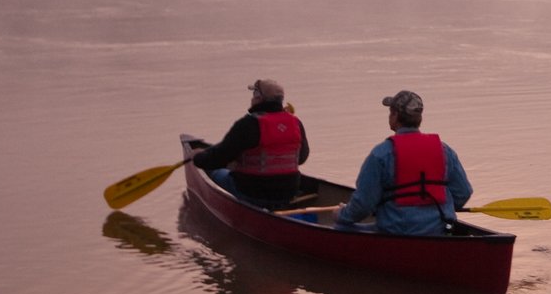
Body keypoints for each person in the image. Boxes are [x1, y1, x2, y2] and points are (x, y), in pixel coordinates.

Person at [335, 90, 472, 236]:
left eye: (390, 112)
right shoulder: (445, 150)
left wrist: (341, 214)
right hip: (439, 231)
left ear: (394, 116)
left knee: (340, 227)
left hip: (397, 232)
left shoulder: (382, 154)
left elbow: (363, 205)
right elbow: (463, 193)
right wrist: (442, 209)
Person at [189, 78, 311, 208]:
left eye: (254, 94)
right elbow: (301, 159)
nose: (252, 99)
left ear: (258, 98)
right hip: (288, 193)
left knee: (215, 171)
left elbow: (217, 158)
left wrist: (197, 157)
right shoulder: (296, 123)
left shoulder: (248, 124)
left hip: (252, 193)